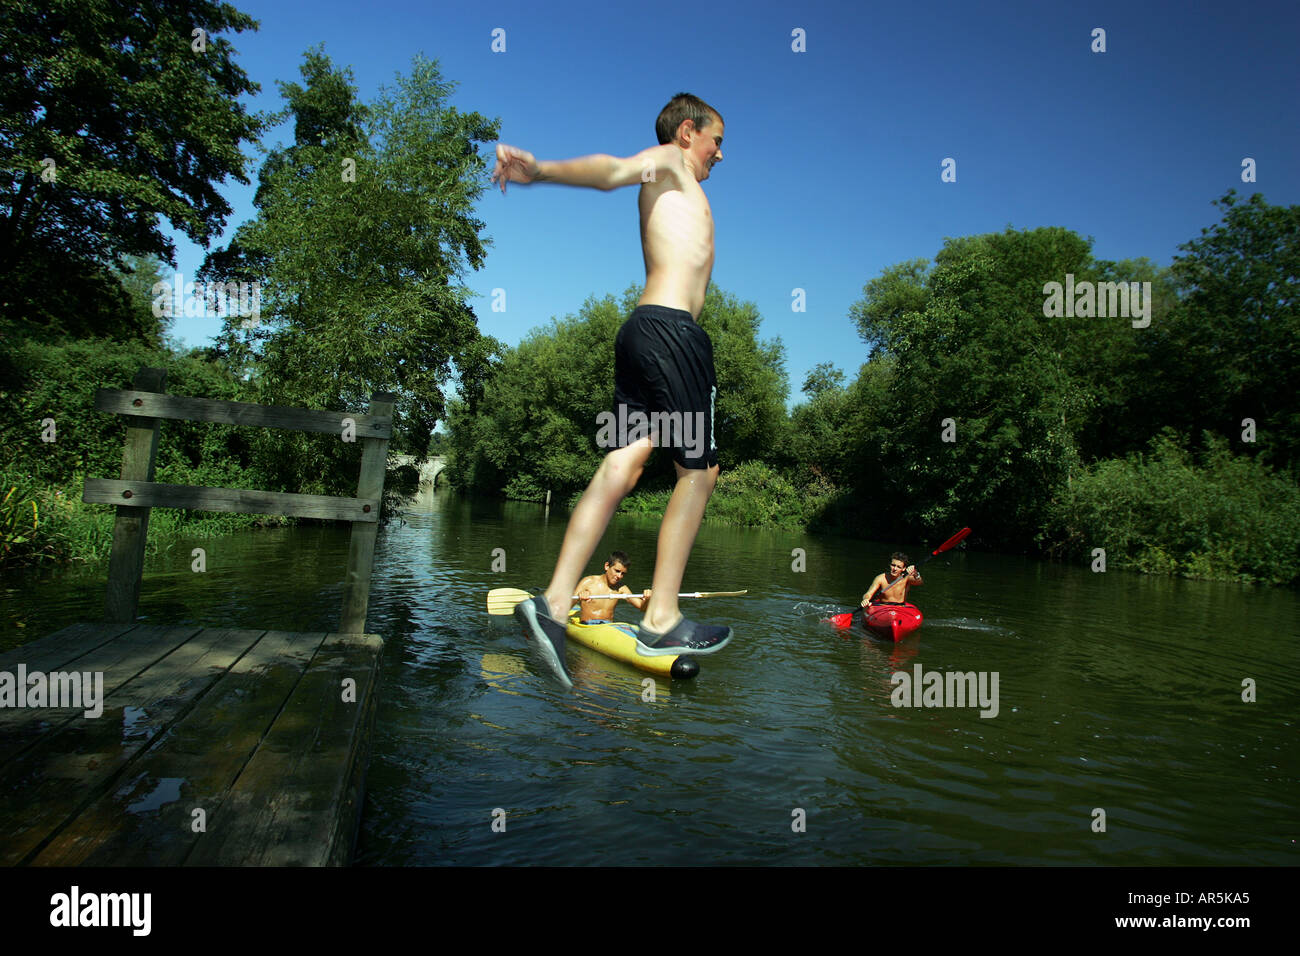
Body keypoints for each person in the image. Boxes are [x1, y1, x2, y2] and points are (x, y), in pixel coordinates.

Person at [493, 92, 732, 687]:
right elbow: (613, 172)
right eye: (716, 141)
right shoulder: (672, 163)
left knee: (622, 466)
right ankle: (662, 613)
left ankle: (551, 601)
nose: (719, 155)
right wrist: (541, 170)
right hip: (672, 333)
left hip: (642, 334)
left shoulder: (682, 183)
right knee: (698, 473)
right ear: (686, 132)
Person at [574, 551, 650, 623]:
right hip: (587, 625)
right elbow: (567, 605)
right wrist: (579, 596)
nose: (619, 576)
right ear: (607, 566)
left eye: (623, 573)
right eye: (617, 571)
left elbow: (641, 607)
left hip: (608, 626)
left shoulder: (621, 588)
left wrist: (647, 599)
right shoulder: (588, 582)